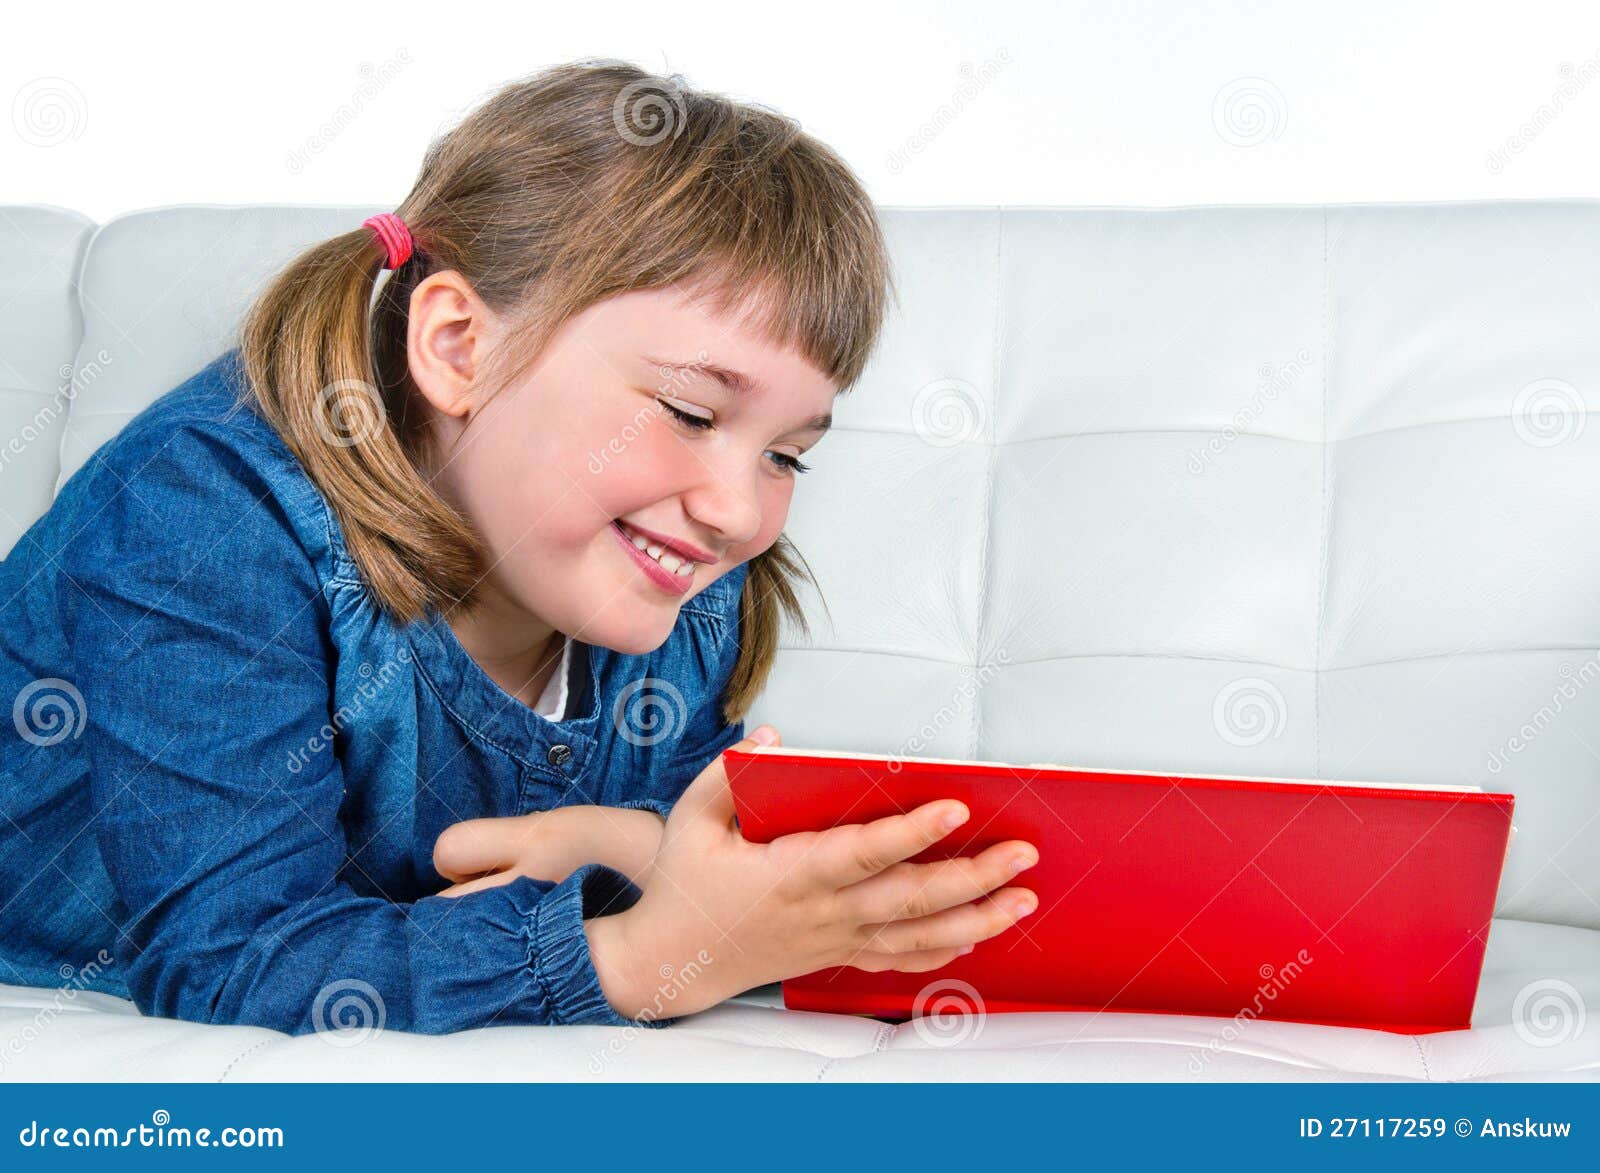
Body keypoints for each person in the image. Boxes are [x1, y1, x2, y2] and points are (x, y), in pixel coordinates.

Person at [0, 59, 1038, 1036]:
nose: (736, 511)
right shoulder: (202, 508)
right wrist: (641, 955)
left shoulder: (679, 569)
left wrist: (623, 844)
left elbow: (692, 838)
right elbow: (232, 957)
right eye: (688, 411)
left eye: (786, 456)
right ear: (460, 347)